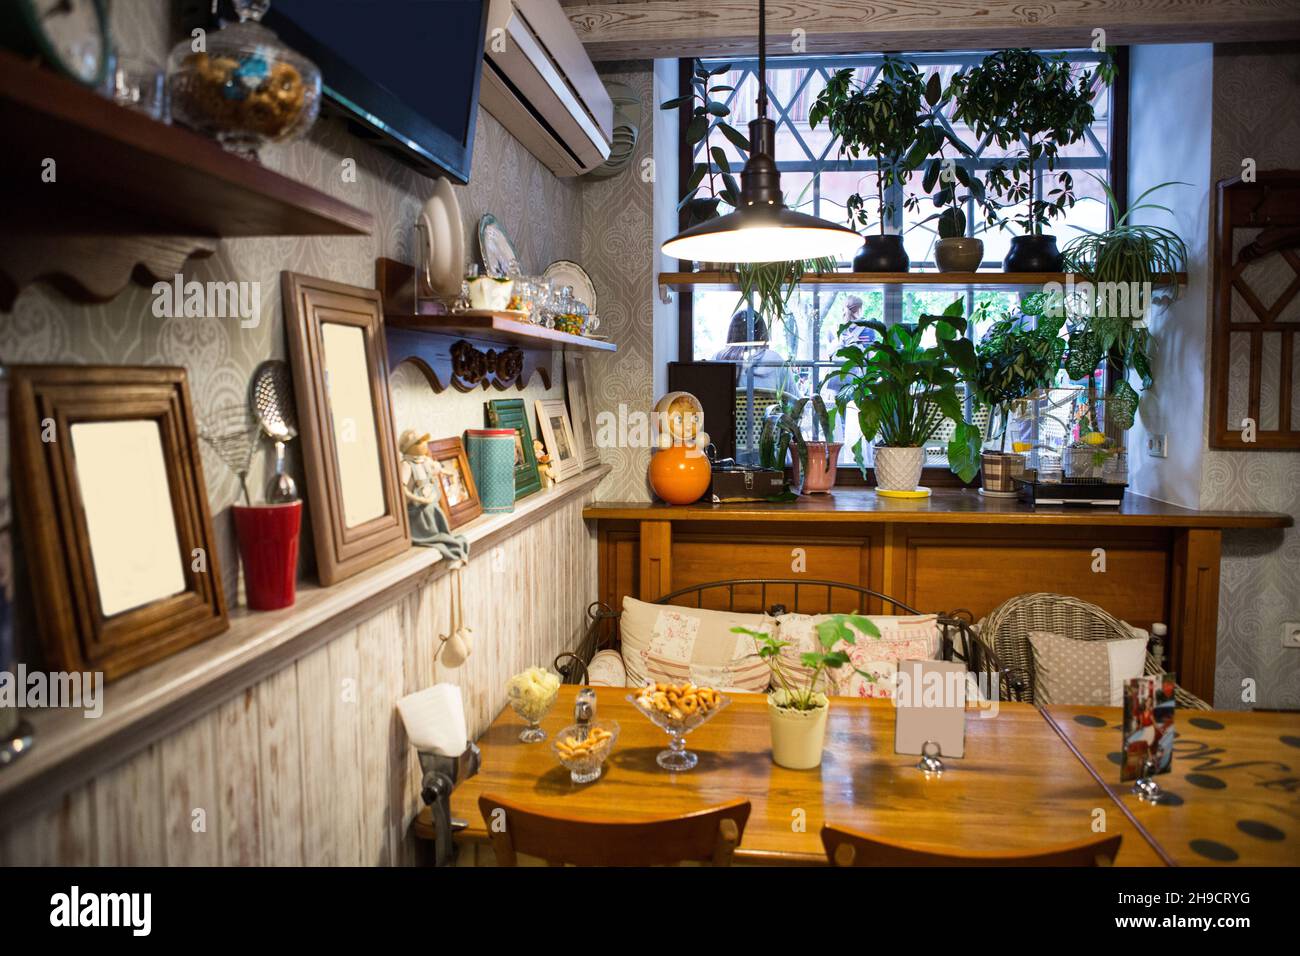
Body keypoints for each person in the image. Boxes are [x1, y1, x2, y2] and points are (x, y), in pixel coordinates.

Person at [713, 309, 787, 391]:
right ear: (762, 332)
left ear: (732, 333)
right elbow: (795, 398)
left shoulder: (718, 358)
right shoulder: (774, 359)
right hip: (769, 404)